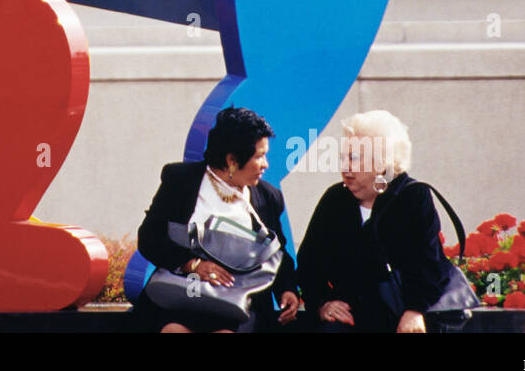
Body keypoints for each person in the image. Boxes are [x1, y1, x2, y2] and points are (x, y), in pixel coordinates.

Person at [130, 107, 300, 333]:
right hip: (182, 294)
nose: (265, 164)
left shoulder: (268, 197)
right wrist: (193, 265)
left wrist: (286, 290)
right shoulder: (180, 181)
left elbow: (277, 254)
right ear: (231, 160)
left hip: (237, 302)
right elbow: (150, 237)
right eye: (259, 156)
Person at [297, 109, 452, 333]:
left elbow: (430, 264)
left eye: (354, 158)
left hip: (405, 315)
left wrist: (415, 311)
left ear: (382, 162)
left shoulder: (412, 196)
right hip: (351, 319)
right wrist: (323, 303)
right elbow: (309, 264)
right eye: (343, 158)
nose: (345, 167)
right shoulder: (335, 199)